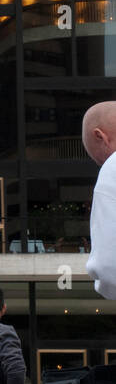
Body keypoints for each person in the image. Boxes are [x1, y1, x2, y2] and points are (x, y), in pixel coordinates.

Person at [81, 102, 116, 299]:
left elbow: (109, 266)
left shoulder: (114, 166)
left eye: (99, 161)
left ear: (100, 136)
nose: (103, 164)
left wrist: (102, 285)